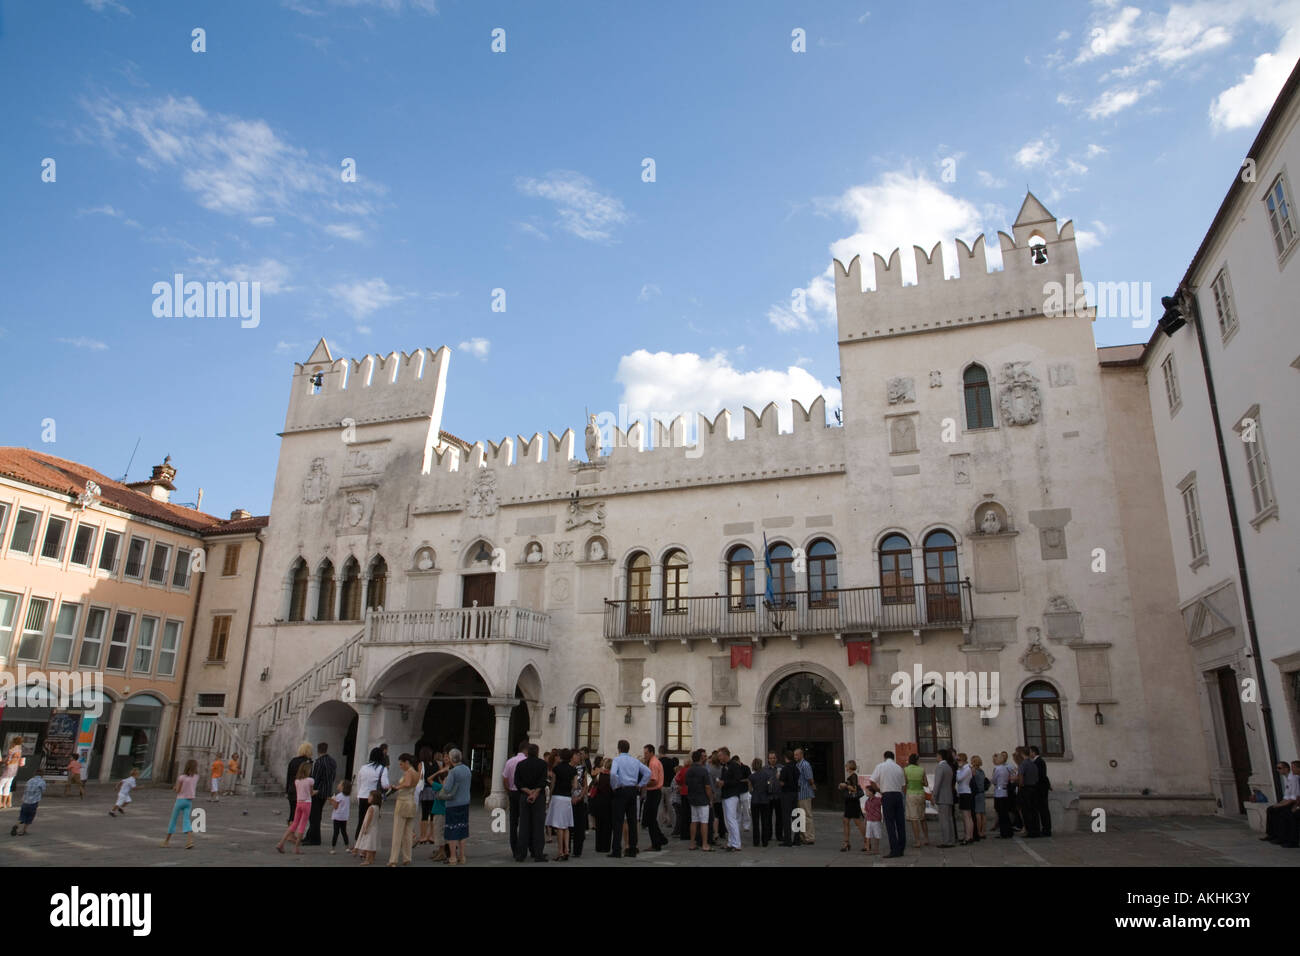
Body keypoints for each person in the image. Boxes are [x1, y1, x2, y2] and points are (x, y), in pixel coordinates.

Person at [609, 739, 651, 858]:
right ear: (628, 748)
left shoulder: (617, 760)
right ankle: (632, 848)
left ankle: (616, 850)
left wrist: (615, 785)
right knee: (632, 821)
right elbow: (648, 772)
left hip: (621, 790)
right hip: (633, 790)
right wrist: (640, 784)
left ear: (619, 749)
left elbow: (612, 774)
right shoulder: (635, 761)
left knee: (618, 821)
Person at [513, 743, 549, 862]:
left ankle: (521, 854)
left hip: (524, 796)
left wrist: (528, 792)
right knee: (538, 826)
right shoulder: (543, 764)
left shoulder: (521, 764)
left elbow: (517, 782)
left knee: (524, 825)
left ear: (527, 752)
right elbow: (543, 781)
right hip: (538, 797)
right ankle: (538, 853)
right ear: (537, 752)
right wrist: (535, 793)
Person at [870, 750, 907, 857]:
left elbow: (872, 781)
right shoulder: (899, 768)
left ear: (884, 757)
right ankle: (901, 848)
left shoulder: (881, 766)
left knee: (890, 823)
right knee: (900, 822)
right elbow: (904, 785)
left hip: (887, 795)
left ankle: (894, 849)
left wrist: (879, 790)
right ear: (893, 757)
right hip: (898, 795)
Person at [439, 748, 472, 864]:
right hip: (465, 802)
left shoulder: (453, 772)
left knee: (452, 830)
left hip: (453, 804)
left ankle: (453, 856)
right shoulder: (467, 769)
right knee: (462, 829)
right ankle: (462, 856)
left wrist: (444, 781)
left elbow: (447, 788)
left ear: (452, 759)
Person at [386, 753, 419, 866]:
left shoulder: (409, 772)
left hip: (403, 802)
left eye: (401, 764)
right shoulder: (415, 772)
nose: (400, 766)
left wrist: (396, 787)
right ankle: (407, 857)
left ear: (406, 762)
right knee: (408, 833)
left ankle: (393, 859)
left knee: (398, 832)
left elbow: (408, 783)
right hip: (411, 802)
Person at [353, 748, 390, 847]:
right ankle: (367, 845)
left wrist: (358, 795)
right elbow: (385, 785)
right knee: (372, 822)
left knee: (361, 820)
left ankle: (358, 842)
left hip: (362, 796)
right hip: (375, 798)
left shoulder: (363, 768)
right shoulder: (383, 769)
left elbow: (359, 783)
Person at [276, 760, 314, 855]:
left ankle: (281, 843)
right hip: (307, 803)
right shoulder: (310, 780)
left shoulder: (297, 781)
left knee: (294, 824)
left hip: (299, 803)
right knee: (302, 825)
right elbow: (311, 793)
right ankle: (296, 848)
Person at [546, 747, 578, 860]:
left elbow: (553, 784)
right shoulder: (573, 769)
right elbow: (575, 786)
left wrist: (550, 798)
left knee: (559, 826)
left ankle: (560, 851)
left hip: (557, 797)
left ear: (561, 757)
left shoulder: (556, 768)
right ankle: (567, 850)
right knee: (566, 826)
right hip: (567, 798)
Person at [162, 759, 200, 849]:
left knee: (173, 820)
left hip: (180, 800)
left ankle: (166, 841)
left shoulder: (182, 777)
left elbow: (178, 790)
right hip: (189, 801)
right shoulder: (196, 777)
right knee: (186, 820)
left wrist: (174, 787)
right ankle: (189, 840)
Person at [303, 742, 336, 846]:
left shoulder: (319, 762)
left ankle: (314, 839)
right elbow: (332, 777)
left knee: (314, 816)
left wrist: (312, 790)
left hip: (317, 792)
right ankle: (310, 836)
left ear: (318, 750)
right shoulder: (332, 761)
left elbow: (315, 779)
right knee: (316, 815)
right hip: (326, 791)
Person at [503, 739, 528, 859]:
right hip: (524, 793)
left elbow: (505, 778)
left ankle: (514, 848)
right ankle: (523, 848)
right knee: (524, 821)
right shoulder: (526, 761)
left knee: (513, 822)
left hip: (513, 793)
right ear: (526, 750)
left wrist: (509, 790)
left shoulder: (510, 761)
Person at [1263, 761, 1300, 844]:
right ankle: (1272, 834)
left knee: (1282, 813)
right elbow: (1286, 797)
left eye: (1279, 768)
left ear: (1286, 769)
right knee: (1271, 809)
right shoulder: (1288, 779)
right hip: (1291, 802)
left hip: (1293, 803)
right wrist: (1278, 804)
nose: (1277, 770)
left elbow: (1294, 798)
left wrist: (1281, 805)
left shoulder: (1294, 779)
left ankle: (1283, 837)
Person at [684, 748, 713, 851]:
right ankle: (705, 844)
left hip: (692, 798)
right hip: (703, 798)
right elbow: (707, 787)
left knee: (694, 821)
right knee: (704, 822)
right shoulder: (703, 770)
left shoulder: (689, 770)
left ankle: (692, 843)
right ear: (700, 758)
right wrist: (710, 799)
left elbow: (686, 784)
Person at [718, 747, 745, 851]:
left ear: (725, 755)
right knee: (727, 820)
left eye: (720, 755)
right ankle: (730, 842)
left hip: (732, 795)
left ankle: (737, 844)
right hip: (725, 795)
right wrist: (720, 782)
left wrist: (724, 783)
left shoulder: (734, 766)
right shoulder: (724, 766)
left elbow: (738, 780)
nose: (719, 758)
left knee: (731, 819)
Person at [641, 744, 666, 851]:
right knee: (650, 818)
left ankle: (656, 844)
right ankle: (660, 838)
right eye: (644, 753)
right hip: (653, 793)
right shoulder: (653, 761)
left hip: (654, 792)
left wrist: (642, 784)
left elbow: (654, 780)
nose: (644, 755)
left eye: (646, 753)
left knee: (650, 819)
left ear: (651, 752)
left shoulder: (653, 763)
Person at [838, 761, 866, 852]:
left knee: (858, 822)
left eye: (846, 766)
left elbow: (854, 789)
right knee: (845, 821)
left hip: (853, 802)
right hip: (849, 802)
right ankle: (846, 843)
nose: (845, 767)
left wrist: (844, 785)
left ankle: (867, 841)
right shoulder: (851, 776)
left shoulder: (853, 776)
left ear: (849, 767)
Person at [932, 749, 957, 847]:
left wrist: (934, 795)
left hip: (942, 796)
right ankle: (951, 839)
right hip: (949, 795)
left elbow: (937, 783)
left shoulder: (940, 767)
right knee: (949, 819)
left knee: (944, 820)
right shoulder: (948, 767)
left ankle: (946, 841)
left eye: (937, 756)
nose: (936, 757)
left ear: (940, 756)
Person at [1014, 746, 1041, 837]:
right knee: (1034, 811)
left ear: (1021, 754)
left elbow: (1021, 778)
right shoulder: (1033, 764)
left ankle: (1030, 831)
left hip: (1026, 789)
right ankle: (1036, 830)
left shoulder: (1023, 764)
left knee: (1026, 811)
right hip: (1034, 788)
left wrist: (1019, 783)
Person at [904, 753, 929, 847]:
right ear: (917, 760)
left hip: (911, 794)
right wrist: (920, 782)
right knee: (922, 817)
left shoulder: (906, 770)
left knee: (914, 819)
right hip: (921, 794)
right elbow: (926, 783)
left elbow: (905, 783)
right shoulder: (922, 769)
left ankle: (917, 841)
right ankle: (926, 838)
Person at [11, 771, 45, 837]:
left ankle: (16, 825)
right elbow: (43, 790)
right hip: (34, 801)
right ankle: (23, 830)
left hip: (25, 801)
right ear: (42, 775)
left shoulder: (30, 780)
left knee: (22, 815)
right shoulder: (42, 781)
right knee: (30, 816)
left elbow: (26, 788)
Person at [285, 742, 313, 818]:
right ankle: (298, 829)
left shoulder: (293, 761)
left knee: (292, 813)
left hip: (292, 789)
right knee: (301, 815)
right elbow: (310, 777)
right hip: (302, 792)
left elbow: (289, 776)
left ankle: (291, 828)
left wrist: (287, 791)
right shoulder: (308, 762)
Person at [778, 751, 800, 847]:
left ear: (785, 757)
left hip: (786, 794)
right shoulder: (796, 768)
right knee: (796, 816)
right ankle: (797, 839)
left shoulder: (785, 769)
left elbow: (782, 783)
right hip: (795, 793)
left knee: (786, 817)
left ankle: (787, 840)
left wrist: (778, 777)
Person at [591, 757, 613, 853]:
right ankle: (606, 846)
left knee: (599, 825)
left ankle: (598, 846)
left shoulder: (599, 775)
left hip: (599, 801)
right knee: (607, 825)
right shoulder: (612, 776)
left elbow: (594, 784)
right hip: (608, 802)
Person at [794, 748, 816, 845]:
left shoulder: (805, 765)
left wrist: (812, 785)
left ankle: (809, 837)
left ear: (801, 755)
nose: (795, 757)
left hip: (805, 793)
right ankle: (802, 836)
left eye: (796, 755)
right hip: (799, 794)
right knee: (800, 815)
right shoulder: (797, 765)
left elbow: (810, 778)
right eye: (794, 755)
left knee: (807, 815)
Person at [749, 757, 773, 847]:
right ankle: (765, 841)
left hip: (755, 800)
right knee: (765, 821)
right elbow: (769, 788)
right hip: (765, 800)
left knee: (755, 822)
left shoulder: (751, 777)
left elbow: (750, 790)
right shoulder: (767, 775)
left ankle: (756, 841)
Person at [570, 750, 590, 858]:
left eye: (579, 756)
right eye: (576, 755)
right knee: (569, 826)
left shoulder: (583, 769)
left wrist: (580, 797)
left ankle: (577, 850)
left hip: (579, 799)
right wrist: (572, 797)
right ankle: (566, 848)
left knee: (579, 826)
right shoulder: (569, 768)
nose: (578, 757)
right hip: (570, 799)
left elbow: (586, 785)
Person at [1030, 745, 1052, 836]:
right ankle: (1045, 829)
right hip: (1041, 788)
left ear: (1034, 753)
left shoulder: (1038, 762)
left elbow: (1040, 776)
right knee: (1042, 809)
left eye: (1030, 752)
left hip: (1040, 789)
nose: (1029, 753)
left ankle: (1046, 830)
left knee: (1043, 810)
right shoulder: (1037, 761)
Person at [354, 790, 381, 865]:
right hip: (375, 828)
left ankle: (367, 860)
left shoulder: (371, 808)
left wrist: (365, 828)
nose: (368, 797)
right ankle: (371, 859)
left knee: (369, 846)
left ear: (374, 798)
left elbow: (369, 818)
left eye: (370, 796)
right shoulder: (377, 807)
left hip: (370, 828)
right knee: (373, 845)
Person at [992, 752, 1015, 838]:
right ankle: (1008, 831)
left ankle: (1004, 832)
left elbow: (994, 781)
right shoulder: (1005, 768)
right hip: (1005, 791)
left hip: (999, 792)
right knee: (1005, 813)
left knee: (1001, 813)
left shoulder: (997, 769)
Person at [1, 737, 24, 809]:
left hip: (8, 769)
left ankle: (0, 803)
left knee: (0, 785)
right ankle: (4, 803)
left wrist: (4, 761)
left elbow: (8, 761)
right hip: (14, 770)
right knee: (8, 786)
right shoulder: (20, 750)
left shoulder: (11, 750)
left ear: (14, 742)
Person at [956, 753, 974, 844]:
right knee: (968, 816)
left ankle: (968, 837)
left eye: (958, 760)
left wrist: (957, 770)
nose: (957, 762)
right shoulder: (965, 768)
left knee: (967, 816)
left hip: (965, 793)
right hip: (964, 792)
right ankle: (969, 835)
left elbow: (959, 779)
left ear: (963, 760)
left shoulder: (966, 769)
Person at [330, 779, 352, 853]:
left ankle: (333, 848)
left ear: (343, 787)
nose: (338, 785)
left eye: (340, 784)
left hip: (337, 816)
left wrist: (332, 800)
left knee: (336, 832)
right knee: (344, 832)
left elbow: (335, 806)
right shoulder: (348, 796)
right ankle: (347, 847)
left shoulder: (339, 796)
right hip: (344, 817)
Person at [863, 781, 884, 854]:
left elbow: (883, 802)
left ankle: (876, 849)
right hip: (869, 820)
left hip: (876, 820)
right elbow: (866, 811)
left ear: (871, 792)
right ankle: (868, 849)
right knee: (868, 835)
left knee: (877, 835)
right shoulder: (867, 801)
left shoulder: (878, 800)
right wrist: (865, 820)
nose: (866, 793)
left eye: (867, 791)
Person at [674, 756, 692, 841]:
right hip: (691, 792)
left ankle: (683, 833)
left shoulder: (683, 770)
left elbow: (677, 779)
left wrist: (681, 784)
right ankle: (689, 832)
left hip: (683, 792)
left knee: (684, 814)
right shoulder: (691, 769)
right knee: (690, 814)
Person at [970, 755, 988, 842]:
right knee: (983, 814)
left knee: (977, 814)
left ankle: (978, 831)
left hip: (976, 794)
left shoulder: (973, 770)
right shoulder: (982, 771)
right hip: (982, 793)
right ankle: (983, 831)